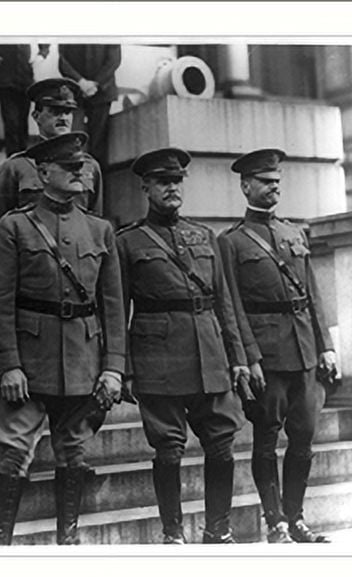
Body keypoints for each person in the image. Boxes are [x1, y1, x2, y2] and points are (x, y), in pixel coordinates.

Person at [0, 132, 125, 545]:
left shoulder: (101, 231)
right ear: (44, 173)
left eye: (81, 166)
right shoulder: (15, 227)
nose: (80, 172)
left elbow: (112, 305)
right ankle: (0, 548)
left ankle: (69, 544)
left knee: (75, 453)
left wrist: (114, 367)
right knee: (14, 453)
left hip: (84, 360)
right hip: (29, 360)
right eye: (69, 167)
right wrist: (7, 363)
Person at [116, 148, 249, 544]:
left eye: (176, 182)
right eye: (162, 182)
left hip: (210, 354)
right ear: (146, 187)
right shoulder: (128, 242)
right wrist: (122, 368)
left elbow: (225, 303)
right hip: (158, 356)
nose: (172, 188)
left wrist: (238, 359)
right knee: (169, 447)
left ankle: (217, 531)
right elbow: (116, 308)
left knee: (222, 442)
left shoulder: (205, 236)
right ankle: (173, 534)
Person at [217, 148, 337, 544]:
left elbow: (313, 295)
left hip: (304, 350)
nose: (274, 188)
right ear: (245, 185)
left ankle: (296, 517)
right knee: (266, 437)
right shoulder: (230, 242)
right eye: (266, 182)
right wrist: (246, 357)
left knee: (303, 436)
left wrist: (327, 346)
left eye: (277, 182)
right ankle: (275, 523)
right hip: (265, 357)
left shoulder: (293, 233)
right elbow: (231, 306)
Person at [0, 77, 103, 243]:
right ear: (36, 116)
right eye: (55, 111)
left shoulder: (90, 167)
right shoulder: (15, 168)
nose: (63, 117)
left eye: (68, 111)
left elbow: (96, 228)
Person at [0, 44, 50, 156]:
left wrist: (42, 54)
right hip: (6, 81)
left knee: (23, 124)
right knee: (11, 123)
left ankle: (22, 161)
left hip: (25, 79)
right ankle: (13, 162)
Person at [58, 44, 122, 172]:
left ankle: (97, 188)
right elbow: (62, 61)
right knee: (72, 143)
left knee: (98, 147)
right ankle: (74, 188)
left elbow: (114, 60)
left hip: (102, 94)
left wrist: (96, 84)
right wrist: (80, 82)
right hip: (75, 94)